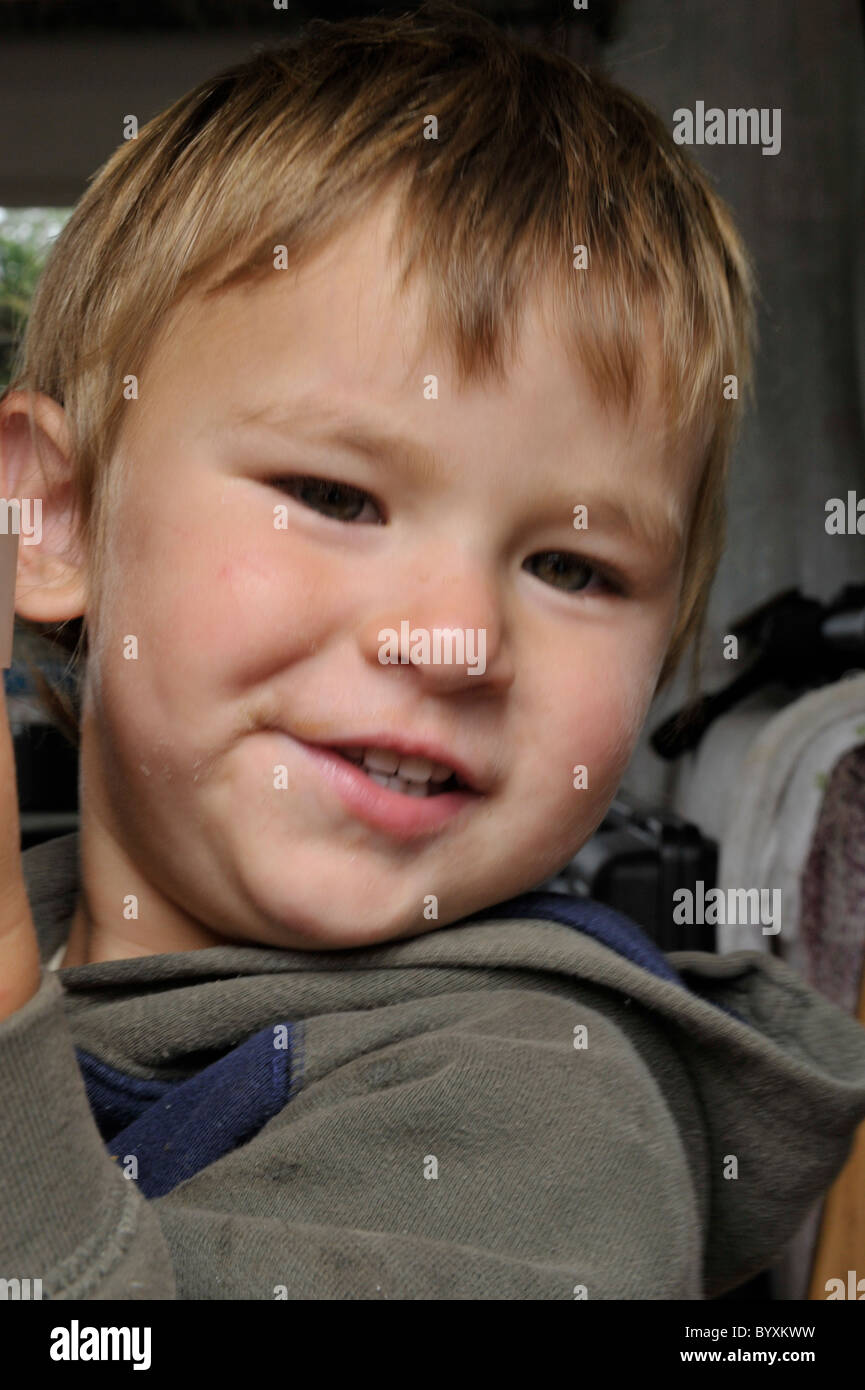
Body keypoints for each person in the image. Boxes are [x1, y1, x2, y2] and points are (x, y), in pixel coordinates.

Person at [1, 1, 863, 1300]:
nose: (454, 638)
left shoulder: (548, 1109)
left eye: (572, 566)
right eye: (337, 497)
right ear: (53, 519)